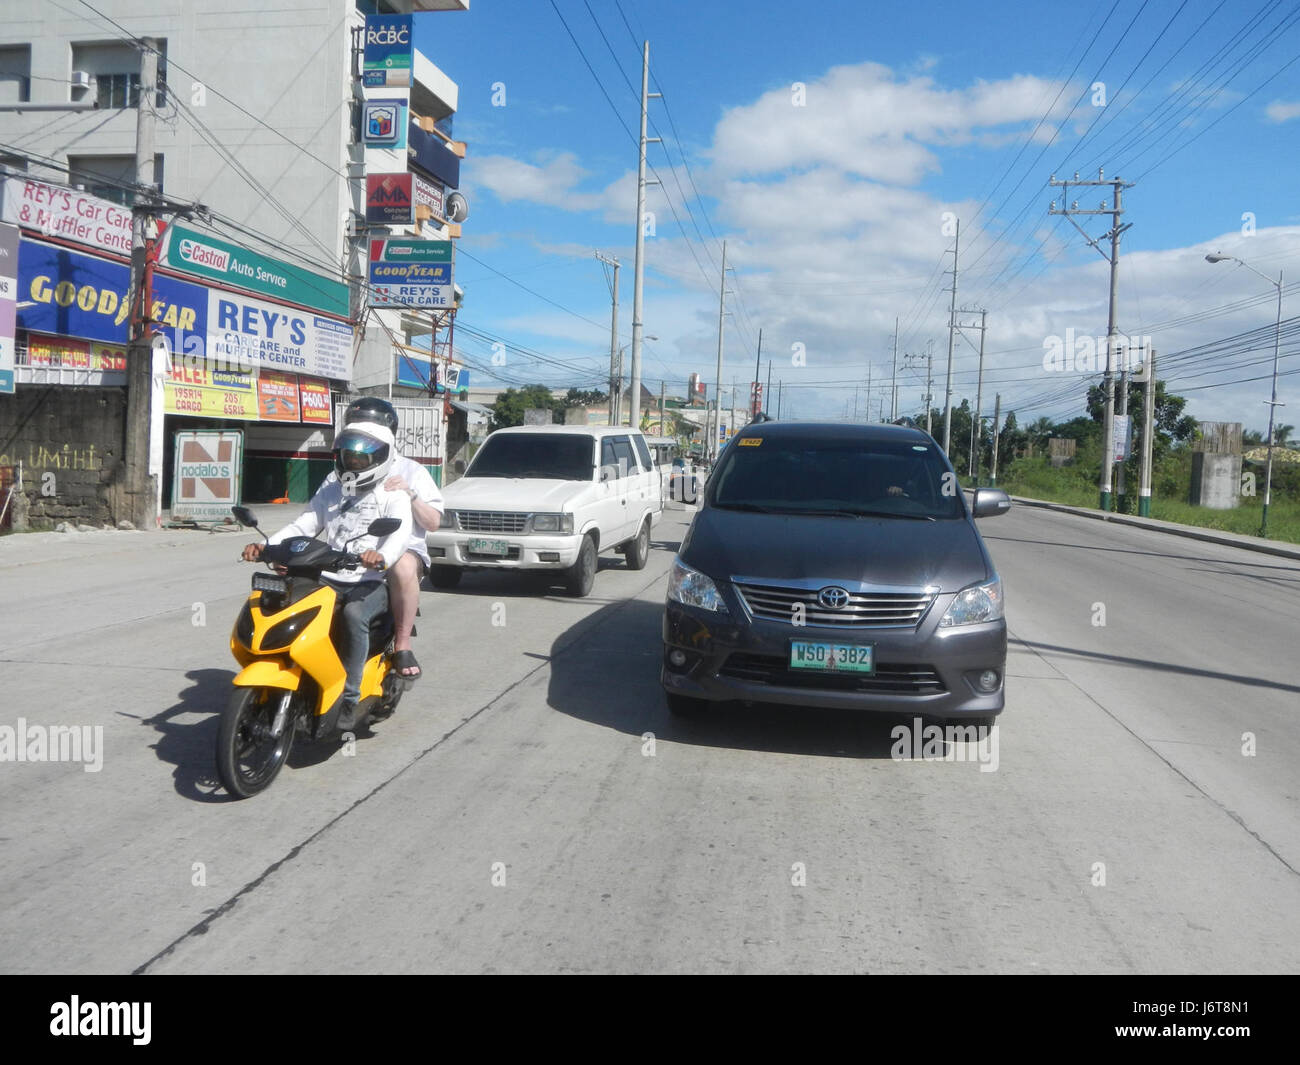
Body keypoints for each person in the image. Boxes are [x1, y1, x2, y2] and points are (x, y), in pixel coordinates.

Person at [242, 420, 411, 734]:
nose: (354, 462)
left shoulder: (391, 493)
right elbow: (304, 524)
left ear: (380, 458)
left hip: (367, 581)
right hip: (326, 574)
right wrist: (266, 546)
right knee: (284, 604)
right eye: (349, 456)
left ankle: (349, 696)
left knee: (353, 615)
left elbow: (398, 535)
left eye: (362, 457)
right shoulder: (332, 487)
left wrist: (381, 557)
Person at [336, 397, 444, 681]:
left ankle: (403, 645)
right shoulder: (344, 466)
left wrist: (411, 494)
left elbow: (433, 522)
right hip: (353, 548)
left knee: (403, 566)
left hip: (402, 549)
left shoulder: (412, 470)